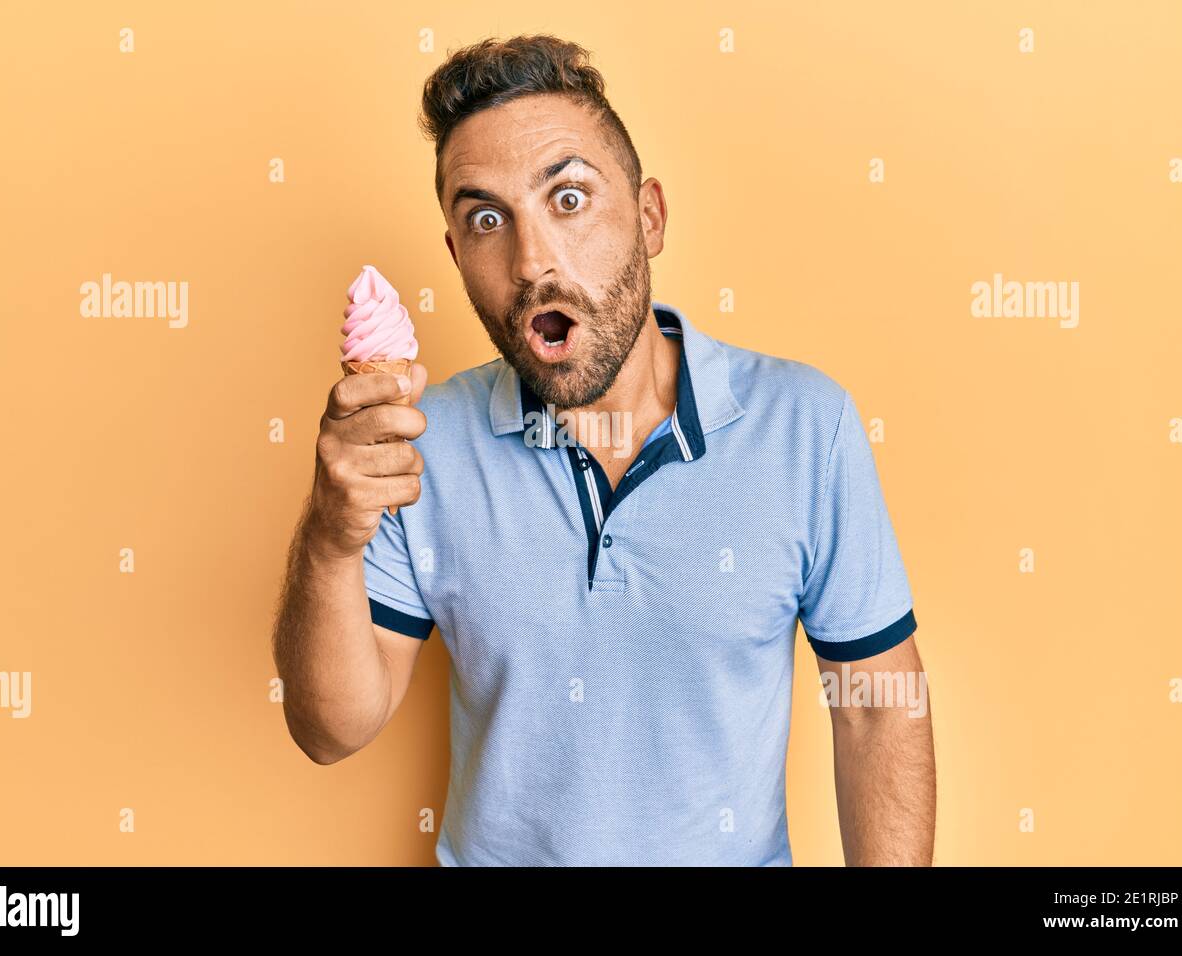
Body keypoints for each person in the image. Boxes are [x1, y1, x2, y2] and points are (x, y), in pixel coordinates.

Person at [273, 34, 934, 866]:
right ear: (455, 254)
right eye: (486, 219)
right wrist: (331, 538)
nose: (533, 260)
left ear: (649, 217)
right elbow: (330, 730)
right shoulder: (422, 446)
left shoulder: (805, 427)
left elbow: (879, 705)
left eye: (570, 199)